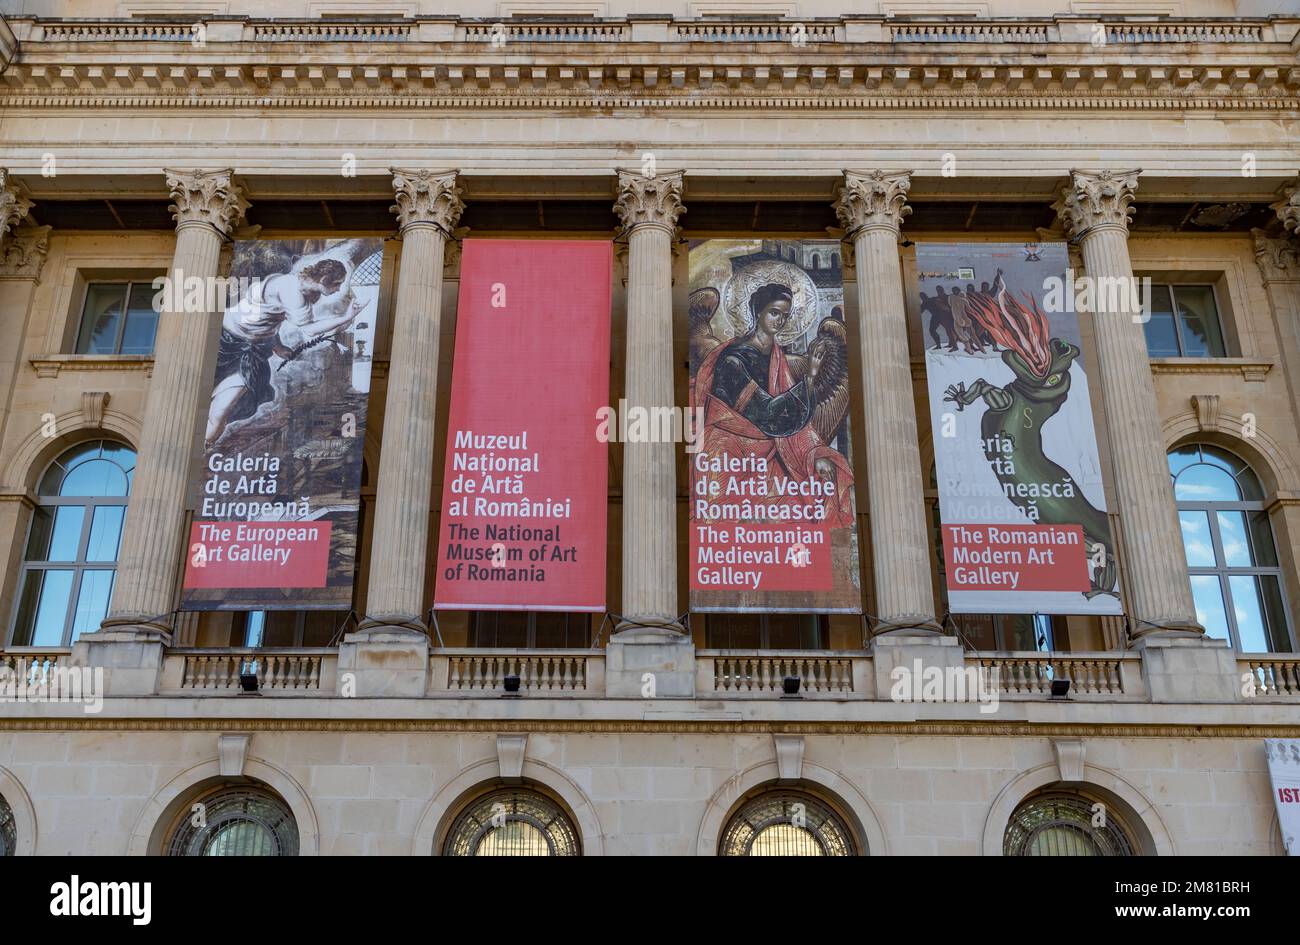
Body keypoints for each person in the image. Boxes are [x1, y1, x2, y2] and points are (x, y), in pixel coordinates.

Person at [205, 246, 363, 446]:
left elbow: (271, 321)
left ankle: (205, 446)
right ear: (324, 280)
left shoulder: (304, 293)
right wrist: (345, 317)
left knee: (221, 411)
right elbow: (310, 330)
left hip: (250, 352)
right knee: (196, 401)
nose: (339, 289)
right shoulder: (290, 288)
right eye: (337, 284)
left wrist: (277, 346)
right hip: (224, 342)